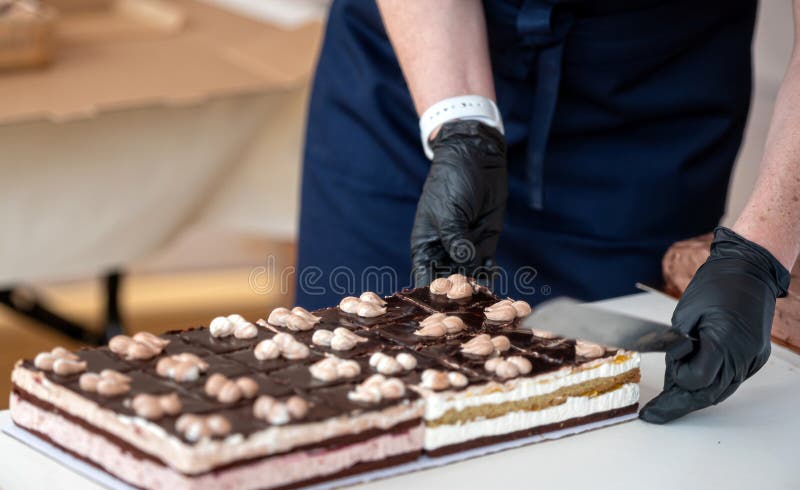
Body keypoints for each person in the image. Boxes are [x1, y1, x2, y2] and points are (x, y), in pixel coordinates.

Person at [296, 0, 799, 423]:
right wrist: (459, 125)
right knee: (345, 382)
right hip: (414, 59)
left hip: (654, 93)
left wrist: (760, 252)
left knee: (610, 414)